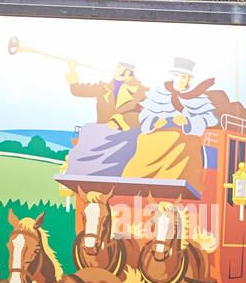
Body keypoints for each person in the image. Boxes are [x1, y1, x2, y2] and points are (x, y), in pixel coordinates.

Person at [122, 58, 217, 193]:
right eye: (176, 76)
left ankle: (170, 182)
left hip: (184, 136)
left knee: (182, 142)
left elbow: (208, 119)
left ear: (189, 79)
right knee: (142, 139)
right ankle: (136, 178)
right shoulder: (159, 93)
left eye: (183, 77)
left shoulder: (198, 97)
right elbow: (145, 115)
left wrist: (187, 122)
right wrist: (155, 121)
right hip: (157, 134)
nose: (179, 80)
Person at [62, 58, 147, 179]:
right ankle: (79, 174)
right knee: (88, 129)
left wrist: (120, 122)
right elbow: (77, 90)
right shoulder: (104, 88)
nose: (115, 70)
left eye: (119, 68)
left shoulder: (140, 92)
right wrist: (72, 70)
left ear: (127, 72)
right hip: (102, 132)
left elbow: (144, 114)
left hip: (126, 134)